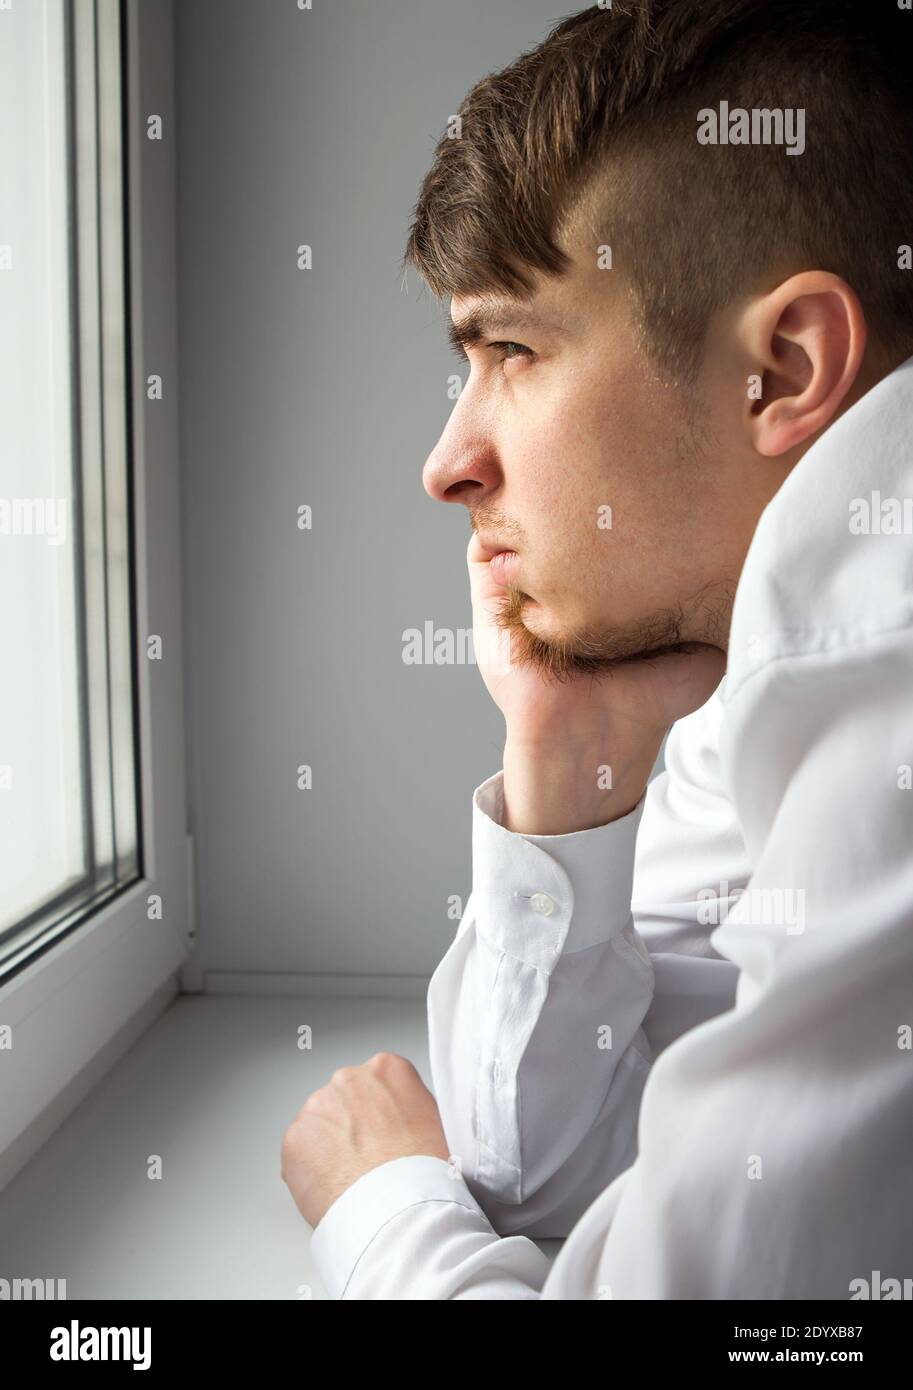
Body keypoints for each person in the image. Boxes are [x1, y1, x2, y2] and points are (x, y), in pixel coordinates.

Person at [281, 0, 913, 1298]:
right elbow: (558, 1177)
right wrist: (563, 754)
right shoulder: (757, 671)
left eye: (512, 347)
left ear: (784, 369)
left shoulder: (880, 665)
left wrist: (382, 1212)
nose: (446, 464)